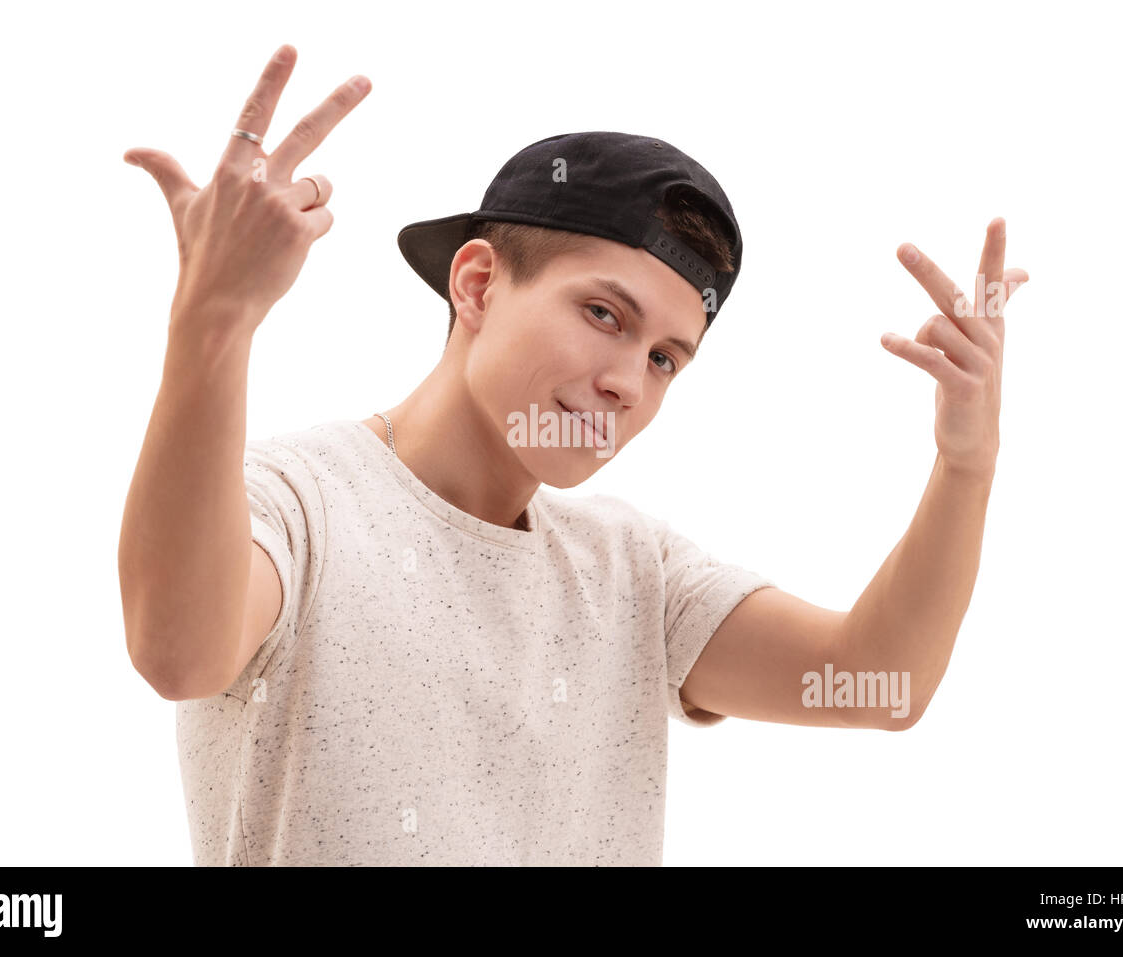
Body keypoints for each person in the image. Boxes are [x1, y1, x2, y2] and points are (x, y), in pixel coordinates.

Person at [117, 45, 1029, 866]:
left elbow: (882, 682)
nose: (629, 381)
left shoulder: (633, 570)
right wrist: (215, 318)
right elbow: (179, 653)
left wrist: (967, 462)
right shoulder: (300, 503)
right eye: (605, 315)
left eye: (666, 357)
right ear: (476, 283)